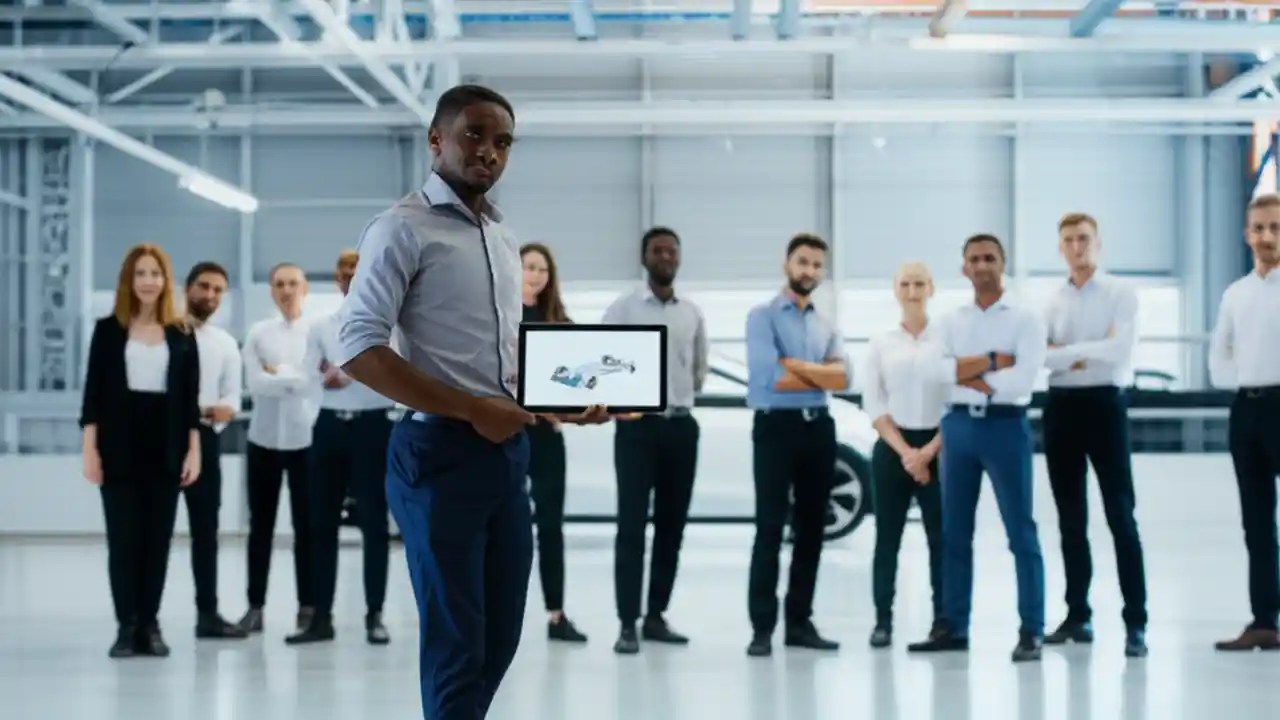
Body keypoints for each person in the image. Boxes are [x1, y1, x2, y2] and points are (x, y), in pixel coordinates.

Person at [335, 84, 609, 720]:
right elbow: (357, 347)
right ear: (437, 139)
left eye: (503, 142)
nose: (488, 152)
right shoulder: (400, 228)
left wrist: (561, 400)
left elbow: (502, 353)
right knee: (457, 642)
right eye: (474, 136)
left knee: (499, 636)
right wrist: (469, 408)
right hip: (436, 453)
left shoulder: (500, 233)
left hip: (505, 455)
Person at [905, 233, 1047, 663]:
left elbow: (1022, 381)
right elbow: (932, 372)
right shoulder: (950, 320)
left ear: (1002, 263)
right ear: (964, 268)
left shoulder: (1025, 319)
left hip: (1005, 428)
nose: (982, 265)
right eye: (974, 259)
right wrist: (990, 361)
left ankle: (1031, 630)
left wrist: (962, 373)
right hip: (959, 428)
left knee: (1020, 532)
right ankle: (953, 626)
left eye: (989, 258)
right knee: (953, 533)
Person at [80, 243, 201, 658]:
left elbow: (189, 401)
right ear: (128, 282)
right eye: (141, 274)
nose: (148, 281)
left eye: (155, 273)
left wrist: (193, 450)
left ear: (166, 281)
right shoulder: (107, 330)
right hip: (118, 448)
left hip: (165, 447)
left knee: (157, 542)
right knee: (124, 541)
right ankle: (125, 626)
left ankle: (150, 624)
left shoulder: (182, 333)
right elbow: (92, 394)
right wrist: (89, 450)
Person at [1040, 213, 1149, 658]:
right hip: (1061, 408)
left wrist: (1067, 353)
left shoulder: (1121, 292)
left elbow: (1119, 350)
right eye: (1068, 240)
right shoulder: (1049, 302)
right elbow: (1041, 360)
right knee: (1070, 520)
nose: (1077, 246)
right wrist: (1087, 352)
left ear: (1097, 244)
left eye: (1083, 238)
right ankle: (1077, 617)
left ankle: (1135, 623)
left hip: (1105, 405)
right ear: (1061, 248)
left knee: (1120, 516)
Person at [601, 226, 709, 655]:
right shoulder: (622, 309)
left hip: (681, 427)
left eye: (671, 250)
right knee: (631, 526)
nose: (665, 256)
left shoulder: (692, 313)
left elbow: (698, 368)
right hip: (636, 429)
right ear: (644, 258)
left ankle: (656, 616)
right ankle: (627, 624)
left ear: (679, 258)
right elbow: (602, 364)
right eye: (657, 250)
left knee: (671, 527)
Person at [743, 232, 849, 658]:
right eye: (802, 262)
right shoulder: (762, 316)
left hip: (818, 429)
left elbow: (843, 379)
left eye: (816, 265)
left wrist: (799, 367)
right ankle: (762, 629)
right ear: (788, 264)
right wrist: (817, 373)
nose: (809, 270)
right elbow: (773, 378)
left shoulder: (827, 324)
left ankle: (799, 623)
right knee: (770, 527)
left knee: (811, 530)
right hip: (776, 428)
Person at [287, 249, 394, 646]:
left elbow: (393, 375)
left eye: (358, 270)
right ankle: (321, 618)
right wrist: (329, 377)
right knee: (321, 524)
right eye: (345, 271)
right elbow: (306, 377)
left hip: (374, 427)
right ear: (337, 279)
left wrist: (349, 372)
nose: (351, 276)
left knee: (374, 524)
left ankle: (375, 615)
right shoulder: (321, 327)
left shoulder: (389, 324)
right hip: (330, 426)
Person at [862, 261, 947, 649]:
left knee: (941, 540)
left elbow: (956, 402)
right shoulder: (881, 343)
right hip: (892, 448)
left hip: (940, 448)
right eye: (905, 284)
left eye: (919, 284)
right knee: (887, 540)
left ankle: (943, 620)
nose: (912, 291)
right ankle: (883, 621)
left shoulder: (947, 340)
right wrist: (908, 455)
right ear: (895, 290)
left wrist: (927, 452)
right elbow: (874, 405)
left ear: (931, 288)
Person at [1208, 192, 1280, 652]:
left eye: (1275, 227)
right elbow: (1218, 360)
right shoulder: (1235, 294)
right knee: (1256, 523)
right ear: (1246, 235)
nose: (1267, 236)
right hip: (1247, 411)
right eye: (1259, 228)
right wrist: (1247, 378)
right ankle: (1264, 621)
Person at [237, 262, 318, 635]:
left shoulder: (315, 332)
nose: (286, 290)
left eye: (292, 283)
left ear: (304, 288)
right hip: (264, 441)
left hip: (305, 440)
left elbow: (313, 382)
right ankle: (255, 606)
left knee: (308, 528)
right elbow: (256, 384)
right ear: (271, 290)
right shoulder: (258, 332)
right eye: (279, 284)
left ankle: (308, 606)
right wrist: (292, 377)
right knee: (260, 528)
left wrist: (278, 373)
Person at [520, 242, 588, 643]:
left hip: (547, 437)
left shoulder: (560, 322)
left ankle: (556, 614)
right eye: (529, 267)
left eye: (542, 269)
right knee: (502, 527)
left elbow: (576, 386)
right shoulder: (498, 317)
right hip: (508, 434)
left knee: (550, 527)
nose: (535, 275)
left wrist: (563, 411)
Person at [182, 261, 248, 640]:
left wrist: (204, 412)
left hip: (206, 440)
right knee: (150, 532)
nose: (209, 295)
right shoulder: (164, 333)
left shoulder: (224, 344)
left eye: (217, 290)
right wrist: (206, 409)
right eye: (203, 286)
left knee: (205, 532)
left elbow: (230, 401)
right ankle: (142, 620)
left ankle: (207, 614)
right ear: (188, 287)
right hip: (160, 439)